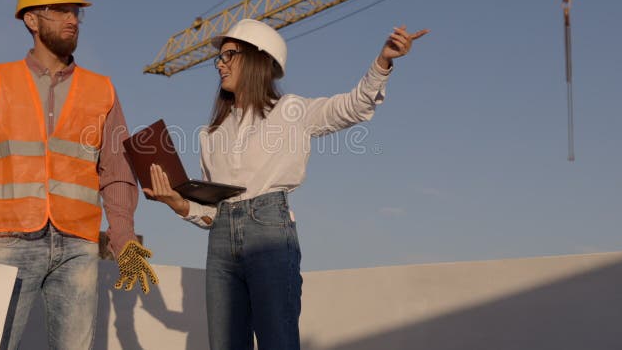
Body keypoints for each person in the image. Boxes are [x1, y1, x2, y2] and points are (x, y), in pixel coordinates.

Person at [144, 18, 428, 349]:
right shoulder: (211, 133)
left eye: (229, 55)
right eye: (219, 58)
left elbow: (353, 106)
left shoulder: (290, 110)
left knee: (277, 341)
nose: (220, 64)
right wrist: (178, 204)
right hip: (220, 243)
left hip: (269, 231)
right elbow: (212, 213)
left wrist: (383, 62)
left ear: (257, 58)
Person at [0, 0, 158, 350]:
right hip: (10, 240)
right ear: (32, 20)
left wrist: (123, 237)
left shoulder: (101, 90)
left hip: (79, 247)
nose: (72, 19)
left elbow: (117, 169)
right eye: (60, 10)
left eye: (76, 11)